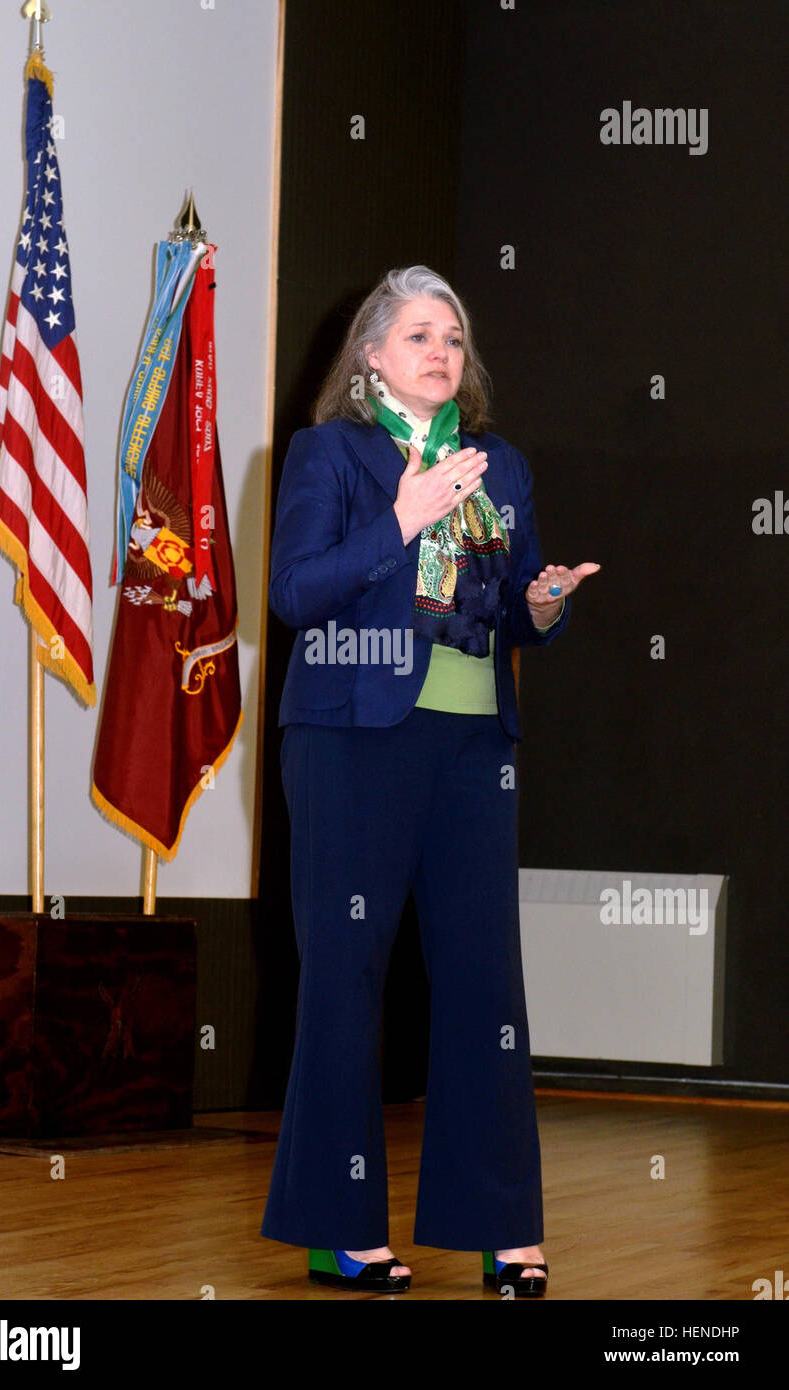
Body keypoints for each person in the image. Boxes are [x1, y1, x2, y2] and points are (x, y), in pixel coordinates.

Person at [260, 264, 599, 1296]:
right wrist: (401, 520)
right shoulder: (332, 456)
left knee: (485, 985)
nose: (441, 352)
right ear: (369, 356)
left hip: (468, 749)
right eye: (416, 335)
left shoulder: (497, 467)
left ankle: (504, 1229)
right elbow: (294, 593)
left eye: (451, 336)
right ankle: (339, 1226)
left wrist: (542, 604)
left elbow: (507, 606)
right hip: (350, 740)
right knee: (344, 979)